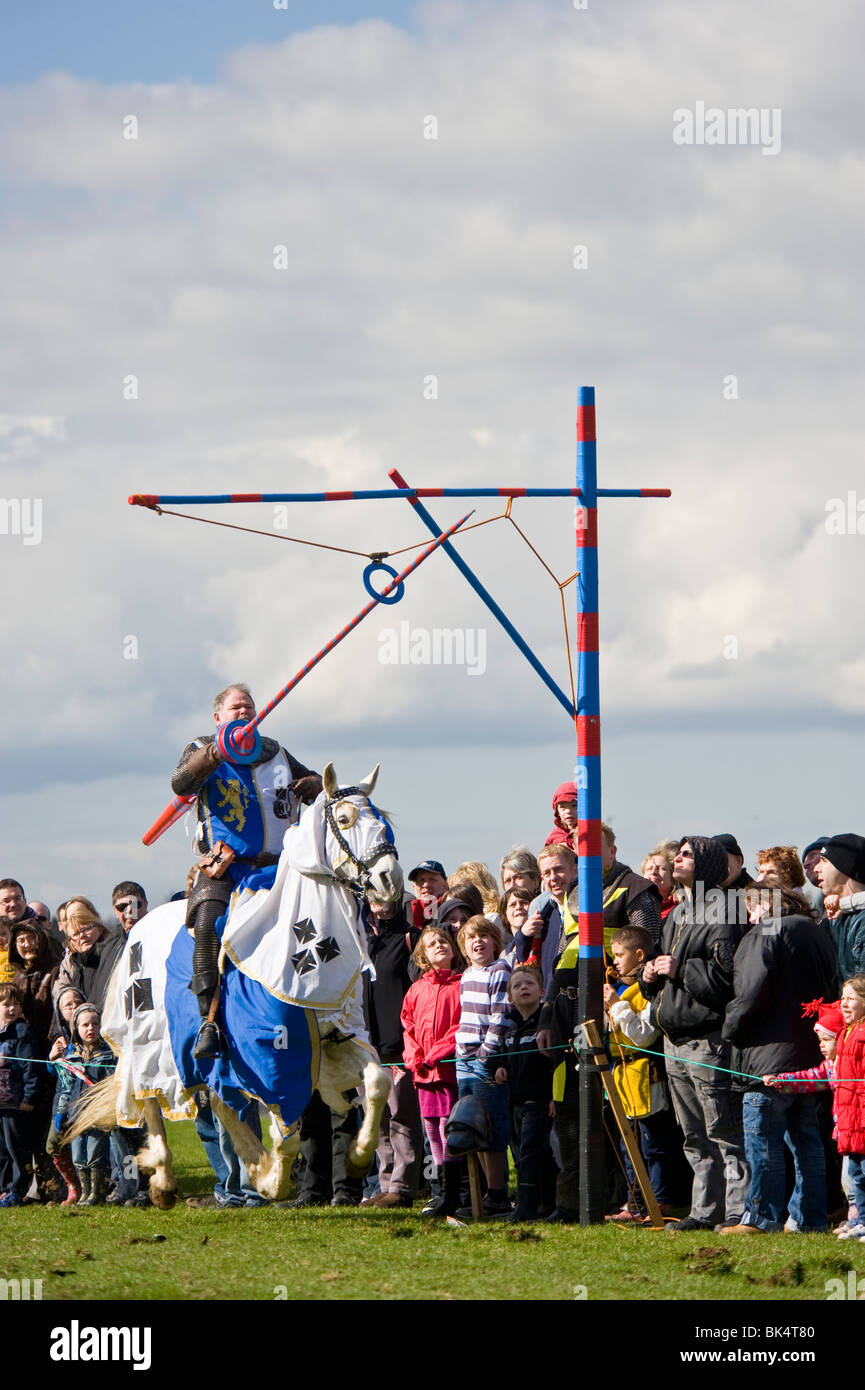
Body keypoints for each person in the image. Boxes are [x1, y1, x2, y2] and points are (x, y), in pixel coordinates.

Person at [171, 682, 321, 1059]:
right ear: (218, 716)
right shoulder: (199, 747)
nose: (244, 713)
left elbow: (320, 788)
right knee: (207, 924)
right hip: (226, 868)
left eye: (250, 708)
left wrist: (312, 784)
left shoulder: (275, 751)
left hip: (279, 867)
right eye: (236, 708)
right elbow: (181, 783)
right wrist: (215, 753)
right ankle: (208, 1019)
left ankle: (329, 1009)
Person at [640, 836, 748, 1233]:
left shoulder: (725, 908)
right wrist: (647, 974)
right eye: (678, 853)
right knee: (693, 1136)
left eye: (687, 854)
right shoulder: (676, 914)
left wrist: (679, 969)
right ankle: (705, 1211)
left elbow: (727, 978)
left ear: (705, 863)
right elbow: (662, 971)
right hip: (674, 1040)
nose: (678, 859)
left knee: (723, 1131)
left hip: (709, 1039)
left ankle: (737, 1212)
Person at [721, 883, 838, 1234]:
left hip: (768, 1055)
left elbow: (750, 992)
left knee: (763, 1140)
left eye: (750, 908)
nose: (748, 916)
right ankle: (809, 1218)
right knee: (808, 1143)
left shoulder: (767, 930)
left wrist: (730, 1029)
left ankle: (760, 1218)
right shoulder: (815, 932)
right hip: (808, 1051)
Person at [603, 925, 681, 1221]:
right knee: (628, 1143)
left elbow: (644, 1036)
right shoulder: (619, 988)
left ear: (639, 955)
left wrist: (617, 1006)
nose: (615, 962)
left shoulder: (647, 988)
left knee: (653, 1145)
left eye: (620, 955)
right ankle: (634, 1202)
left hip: (646, 1075)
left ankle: (658, 1201)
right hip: (622, 1076)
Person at [362, 890, 423, 1209]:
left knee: (402, 1118)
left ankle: (402, 1187)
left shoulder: (412, 938)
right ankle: (384, 1186)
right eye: (373, 898)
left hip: (400, 1046)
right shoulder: (357, 938)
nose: (379, 904)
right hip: (364, 1047)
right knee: (378, 1119)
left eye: (386, 897)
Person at [400, 926, 466, 1218]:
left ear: (453, 949)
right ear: (423, 956)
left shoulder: (463, 984)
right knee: (431, 1131)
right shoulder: (417, 989)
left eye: (443, 941)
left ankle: (455, 1193)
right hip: (423, 1072)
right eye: (431, 944)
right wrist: (414, 1055)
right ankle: (441, 1190)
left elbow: (461, 1025)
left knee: (447, 1129)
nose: (439, 945)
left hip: (448, 1070)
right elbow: (408, 1026)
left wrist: (436, 1053)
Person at [454, 916, 512, 1216]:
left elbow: (500, 1014)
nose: (478, 941)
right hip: (462, 1057)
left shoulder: (499, 970)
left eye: (484, 936)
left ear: (495, 942)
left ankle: (498, 1193)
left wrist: (487, 1052)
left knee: (491, 1128)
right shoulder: (466, 975)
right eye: (471, 938)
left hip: (483, 1059)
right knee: (470, 1126)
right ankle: (483, 1195)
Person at [494, 965, 556, 1221]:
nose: (524, 988)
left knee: (533, 1153)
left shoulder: (546, 1028)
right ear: (510, 996)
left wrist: (555, 1096)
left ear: (542, 991)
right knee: (521, 1155)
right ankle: (540, 1202)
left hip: (539, 1102)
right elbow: (501, 1058)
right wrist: (499, 1068)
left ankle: (527, 1206)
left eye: (529, 983)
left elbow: (554, 1064)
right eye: (517, 985)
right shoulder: (510, 1031)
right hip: (515, 1103)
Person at [53, 1003, 116, 1206]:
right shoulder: (72, 1057)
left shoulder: (109, 1055)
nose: (90, 1029)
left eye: (95, 1024)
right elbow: (66, 1088)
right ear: (76, 1030)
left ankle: (97, 1194)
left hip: (98, 1116)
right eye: (85, 1025)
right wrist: (61, 1113)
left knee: (96, 1154)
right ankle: (85, 1192)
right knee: (79, 1156)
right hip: (75, 1116)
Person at [826, 975, 865, 1240]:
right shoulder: (844, 1033)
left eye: (851, 998)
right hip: (848, 1119)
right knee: (852, 1175)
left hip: (861, 1115)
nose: (844, 1004)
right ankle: (859, 1219)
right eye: (843, 998)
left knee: (862, 1172)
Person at [0, 983, 42, 1207]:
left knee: (16, 1148)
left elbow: (30, 1067)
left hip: (14, 1101)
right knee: (1, 1150)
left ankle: (18, 1189)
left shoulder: (22, 1031)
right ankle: (3, 1189)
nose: (12, 1009)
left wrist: (29, 1097)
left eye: (16, 1004)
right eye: (6, 1004)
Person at [56, 898, 125, 1010]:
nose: (82, 936)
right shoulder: (75, 962)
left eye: (86, 929)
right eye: (76, 934)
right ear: (70, 940)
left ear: (99, 928)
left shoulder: (113, 952)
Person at [814, 835, 865, 979]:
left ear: (844, 866)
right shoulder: (837, 916)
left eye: (824, 861)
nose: (816, 868)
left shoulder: (862, 920)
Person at [544, 782, 579, 853]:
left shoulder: (589, 832)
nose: (568, 811)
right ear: (557, 811)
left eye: (574, 805)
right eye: (562, 806)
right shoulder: (554, 836)